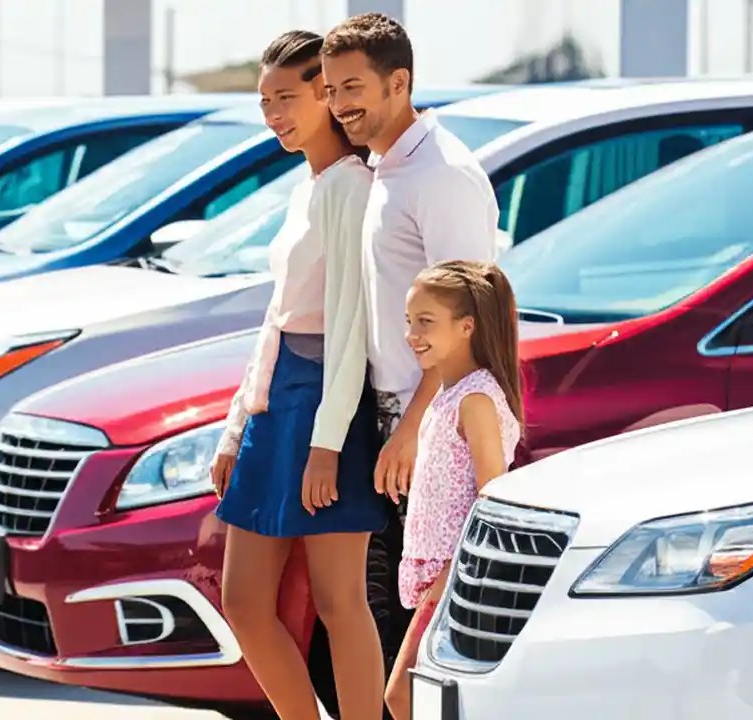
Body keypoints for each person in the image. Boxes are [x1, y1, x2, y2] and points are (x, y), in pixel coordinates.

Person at [209, 29, 390, 720]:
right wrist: (232, 431)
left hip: (326, 408)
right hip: (273, 404)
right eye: (264, 102)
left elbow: (350, 326)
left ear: (326, 94)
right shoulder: (305, 188)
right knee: (244, 602)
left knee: (341, 600)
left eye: (287, 98)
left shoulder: (353, 189)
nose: (275, 115)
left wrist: (327, 443)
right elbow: (276, 319)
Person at [320, 13, 500, 505]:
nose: (338, 106)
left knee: (431, 582)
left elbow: (465, 324)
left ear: (398, 82)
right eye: (331, 91)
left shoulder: (442, 175)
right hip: (391, 414)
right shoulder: (386, 168)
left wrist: (412, 430)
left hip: (432, 422)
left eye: (351, 87)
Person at [384, 260, 524, 719]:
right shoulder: (449, 393)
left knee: (403, 697)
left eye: (426, 322)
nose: (412, 334)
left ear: (467, 327)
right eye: (409, 321)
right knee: (432, 700)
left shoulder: (476, 400)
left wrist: (451, 579)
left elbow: (493, 500)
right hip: (439, 578)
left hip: (456, 577)